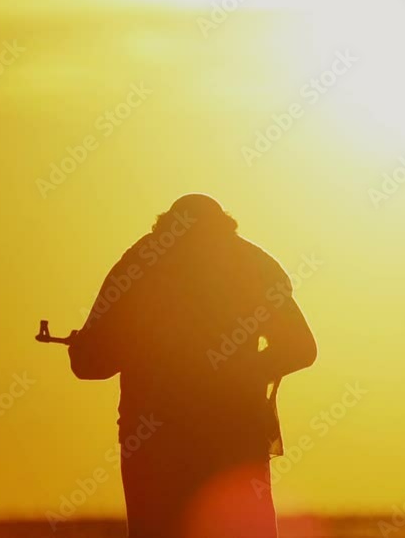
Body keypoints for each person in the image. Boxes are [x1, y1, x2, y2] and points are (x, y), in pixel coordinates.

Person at [67, 193, 317, 538]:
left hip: (158, 441)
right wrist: (240, 373)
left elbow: (91, 363)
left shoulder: (141, 263)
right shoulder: (253, 265)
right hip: (231, 433)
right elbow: (301, 347)